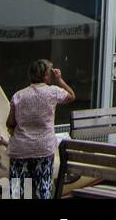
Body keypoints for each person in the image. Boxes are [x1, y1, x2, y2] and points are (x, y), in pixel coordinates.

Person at [5, 58, 75, 199]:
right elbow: (71, 96)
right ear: (46, 76)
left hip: (20, 149)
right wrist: (59, 79)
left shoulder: (18, 96)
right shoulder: (53, 92)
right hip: (44, 149)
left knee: (17, 192)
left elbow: (10, 122)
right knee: (42, 190)